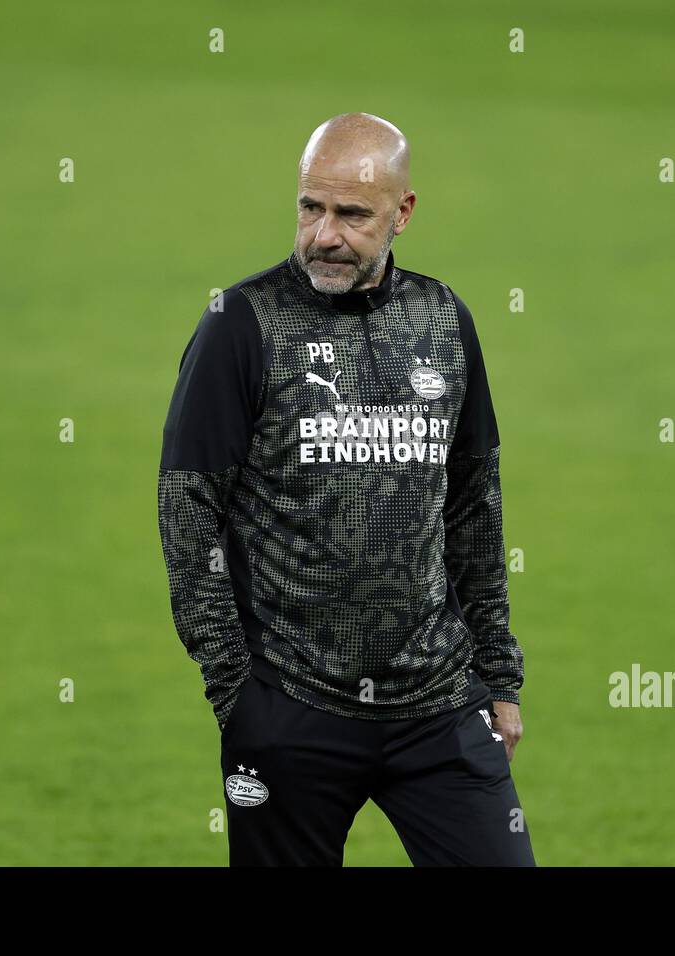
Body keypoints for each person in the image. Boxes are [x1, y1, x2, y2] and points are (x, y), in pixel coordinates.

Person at [157, 112, 534, 866]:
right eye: (310, 207)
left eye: (352, 214)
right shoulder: (242, 324)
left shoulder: (444, 321)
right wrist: (237, 693)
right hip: (288, 706)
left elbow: (473, 509)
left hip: (438, 703)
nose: (324, 235)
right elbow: (187, 510)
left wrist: (496, 672)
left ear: (403, 212)